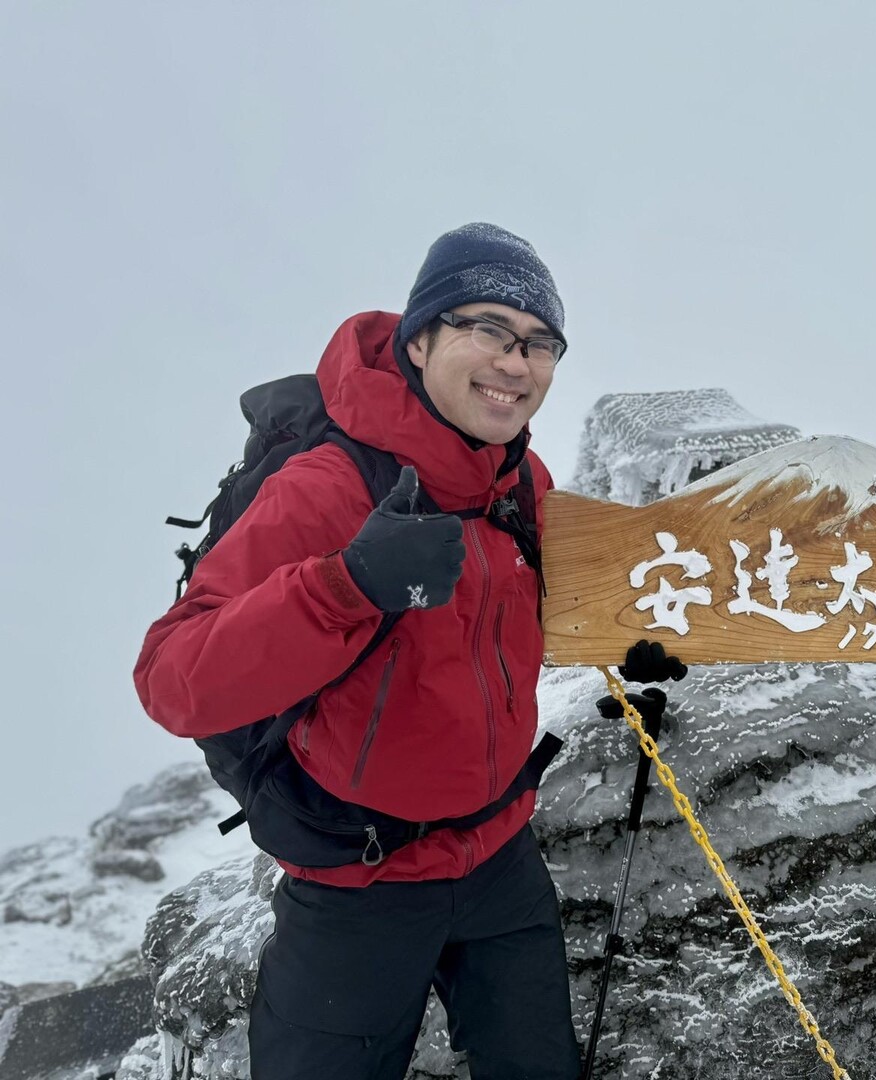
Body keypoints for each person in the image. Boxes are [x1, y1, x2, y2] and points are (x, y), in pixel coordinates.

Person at [134, 224, 682, 1080]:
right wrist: (344, 585)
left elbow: (515, 630)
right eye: (487, 329)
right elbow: (173, 679)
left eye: (540, 343)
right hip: (358, 882)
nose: (515, 362)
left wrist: (630, 639)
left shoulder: (521, 484)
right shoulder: (330, 487)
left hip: (500, 854)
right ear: (419, 339)